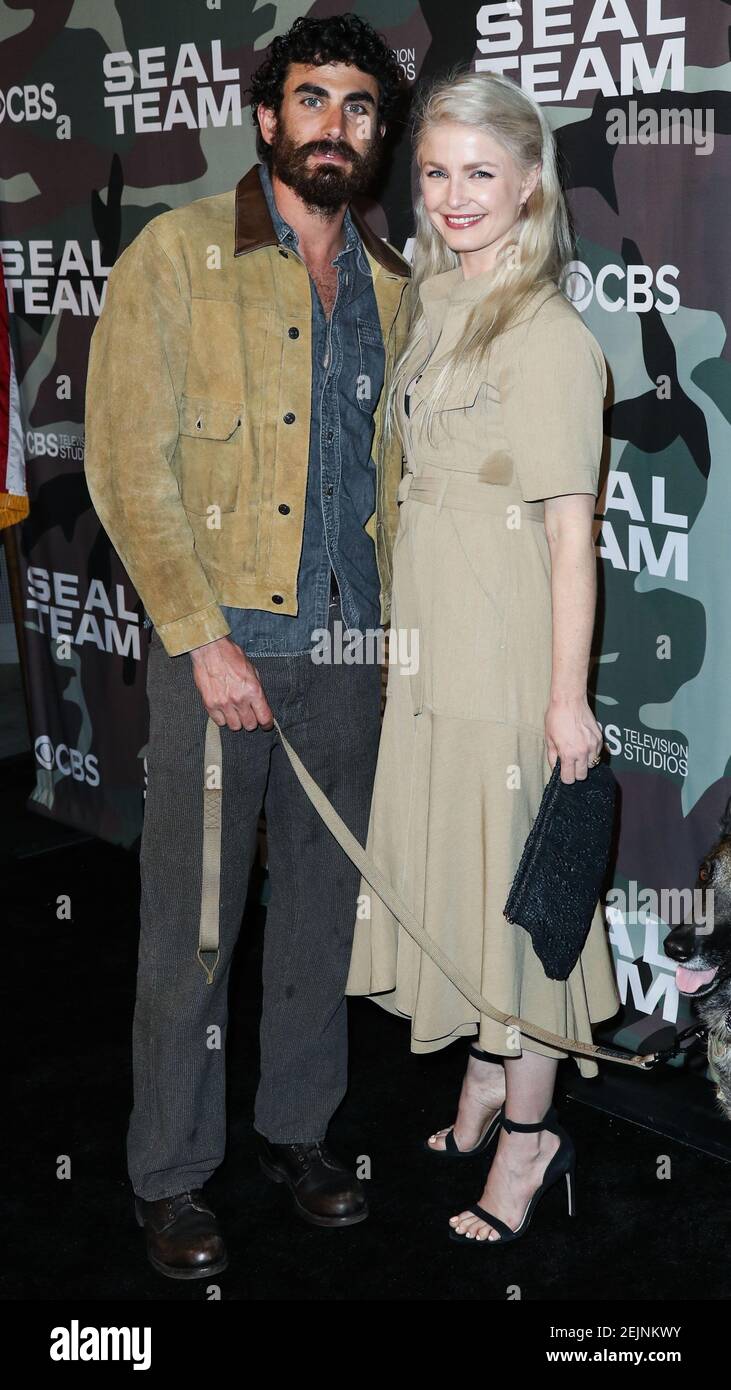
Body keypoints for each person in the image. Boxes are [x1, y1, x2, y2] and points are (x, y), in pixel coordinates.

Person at [83, 14, 410, 1278]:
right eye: (312, 100)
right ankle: (168, 1172)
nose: (335, 124)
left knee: (322, 916)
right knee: (195, 929)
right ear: (266, 118)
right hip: (219, 642)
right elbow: (126, 464)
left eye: (361, 107)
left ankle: (299, 1133)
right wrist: (199, 638)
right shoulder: (174, 257)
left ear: (377, 135)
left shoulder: (392, 290)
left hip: (344, 651)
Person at [346, 68, 622, 1245]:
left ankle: (528, 1134)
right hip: (427, 646)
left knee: (514, 897)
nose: (454, 197)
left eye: (479, 176)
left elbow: (573, 539)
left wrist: (564, 702)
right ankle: (479, 1067)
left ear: (526, 189)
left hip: (504, 651)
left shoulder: (548, 335)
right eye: (435, 174)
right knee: (454, 868)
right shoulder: (438, 302)